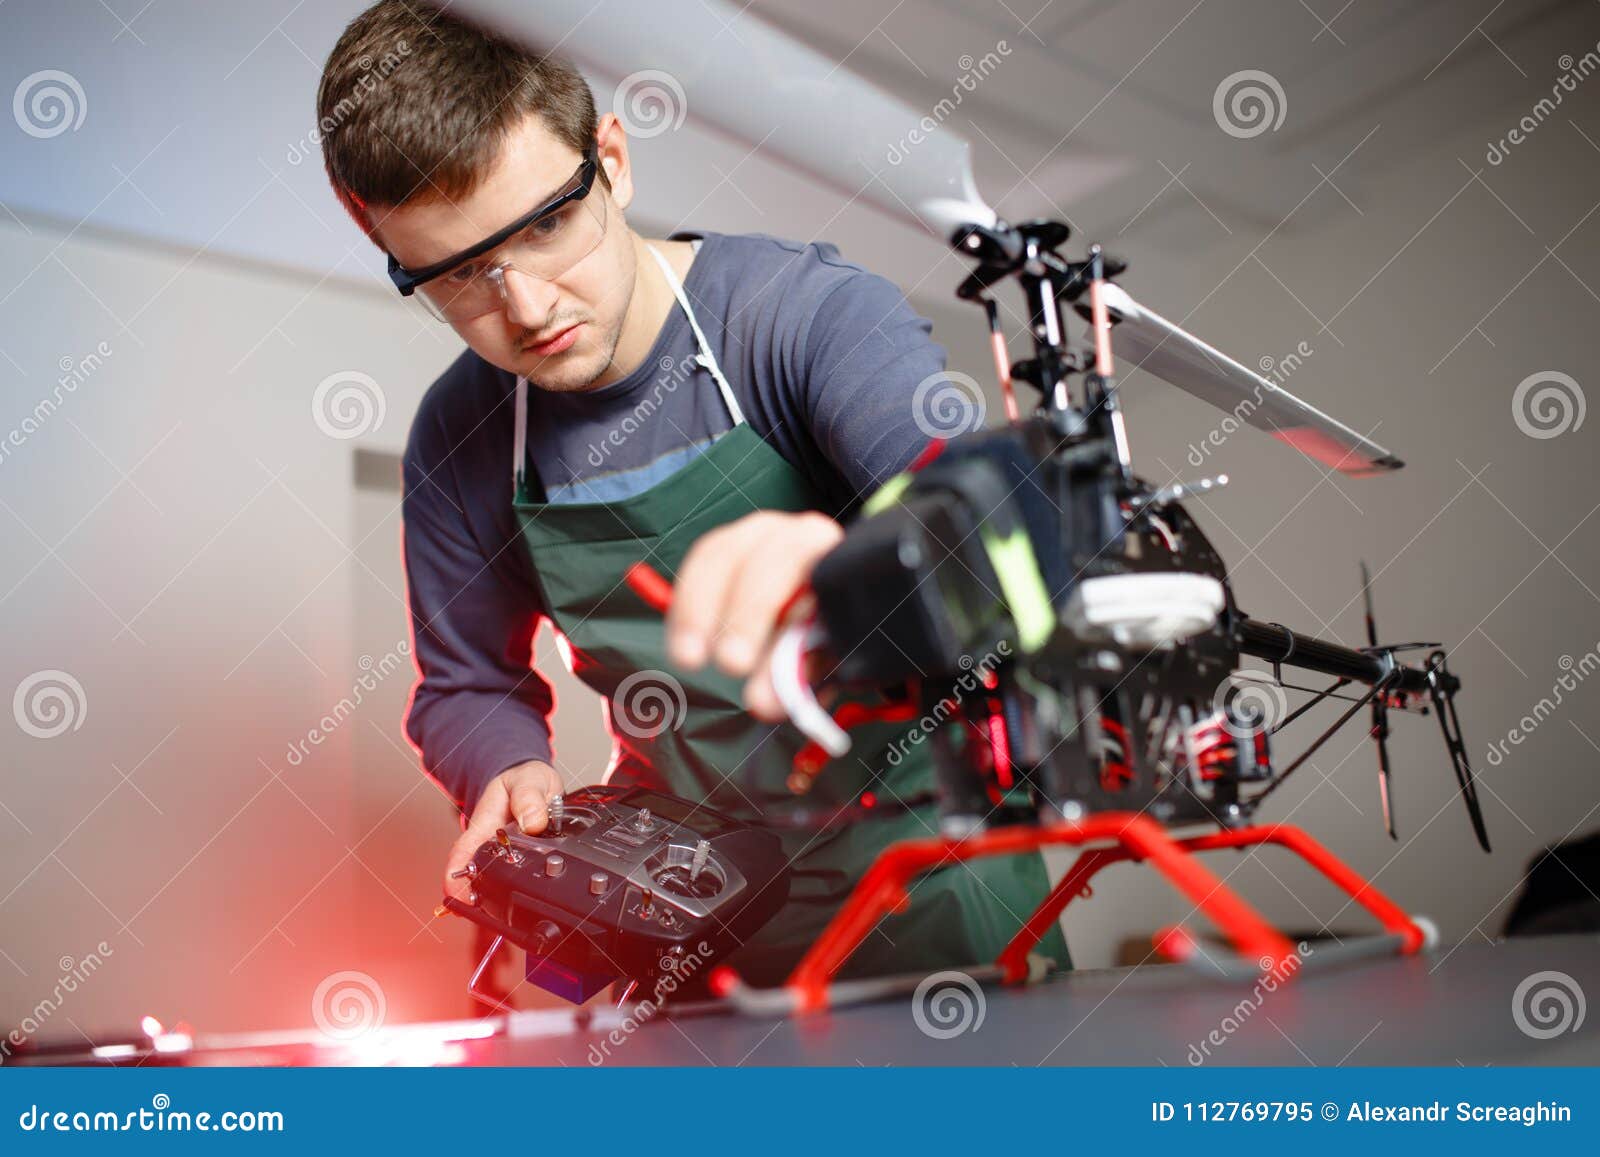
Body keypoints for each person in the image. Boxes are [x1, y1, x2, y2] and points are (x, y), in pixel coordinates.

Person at [316, 1, 1067, 987]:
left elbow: (981, 520)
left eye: (546, 226)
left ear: (612, 164)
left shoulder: (801, 317)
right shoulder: (460, 434)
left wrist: (855, 561)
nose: (525, 308)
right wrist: (501, 764)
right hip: (681, 895)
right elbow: (466, 683)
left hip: (921, 867)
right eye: (460, 276)